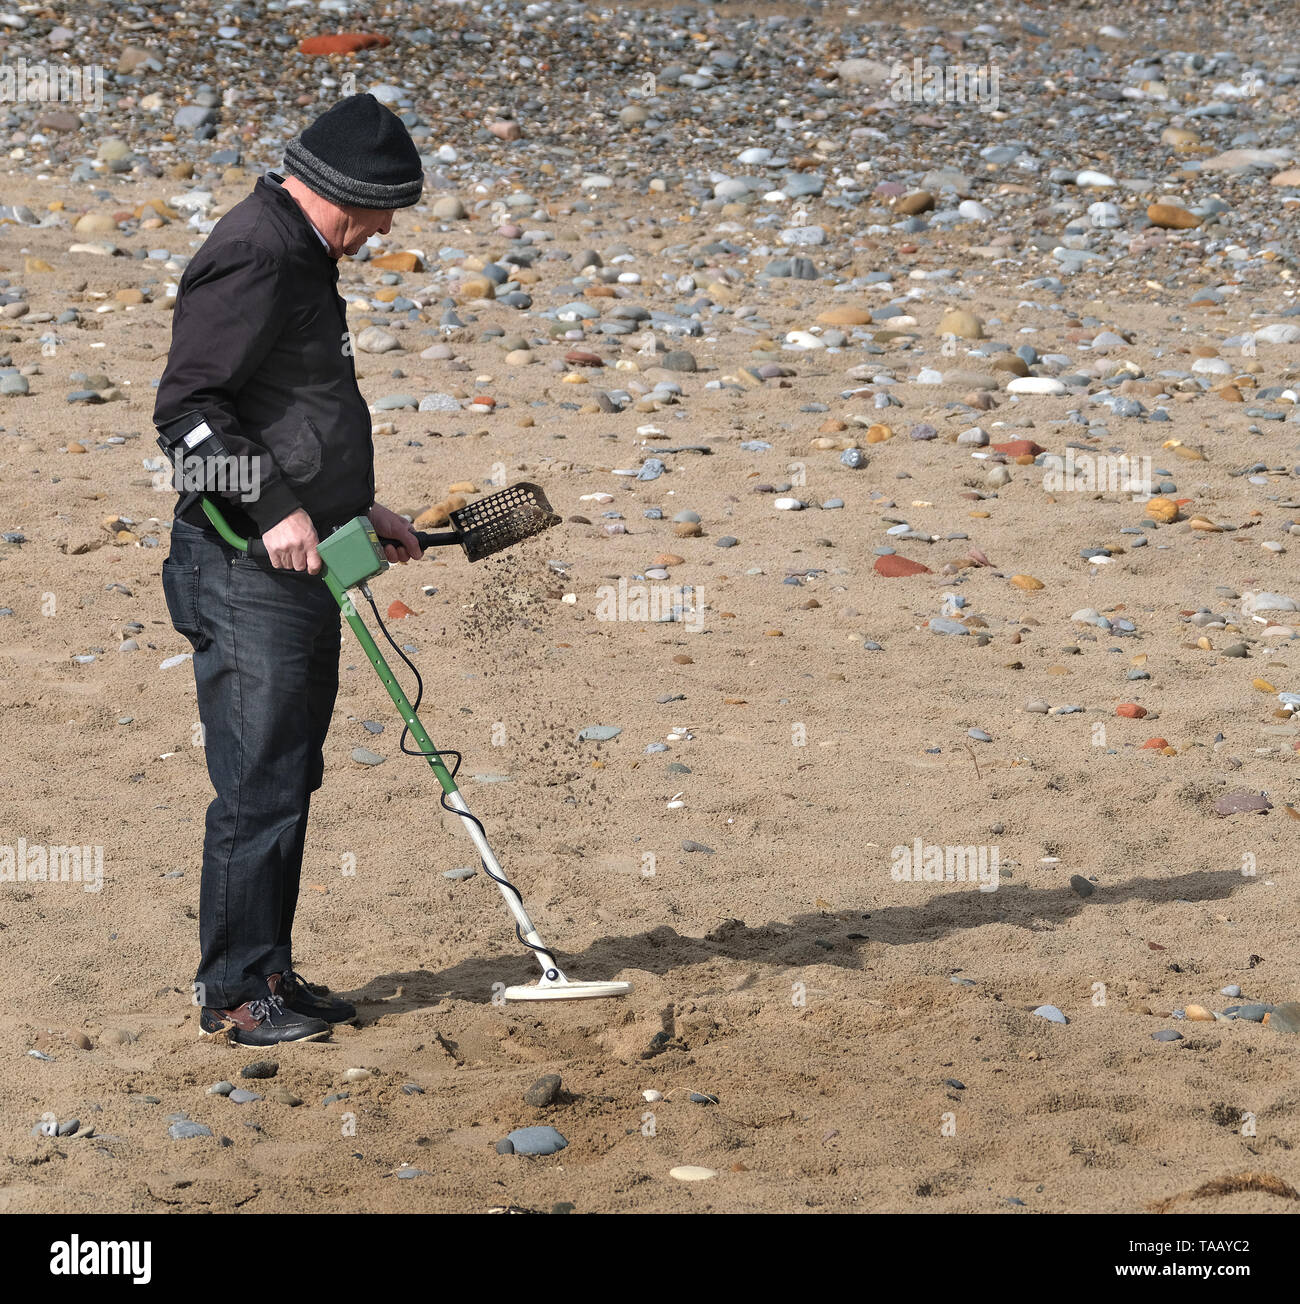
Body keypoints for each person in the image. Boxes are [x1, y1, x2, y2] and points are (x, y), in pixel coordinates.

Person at [155, 94, 424, 1046]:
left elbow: (291, 407)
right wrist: (274, 513)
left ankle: (269, 970)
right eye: (386, 207)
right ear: (344, 191)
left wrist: (355, 510)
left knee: (289, 774)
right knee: (260, 781)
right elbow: (187, 415)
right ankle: (231, 993)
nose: (388, 228)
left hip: (299, 562)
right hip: (240, 568)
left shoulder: (304, 252)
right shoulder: (258, 250)